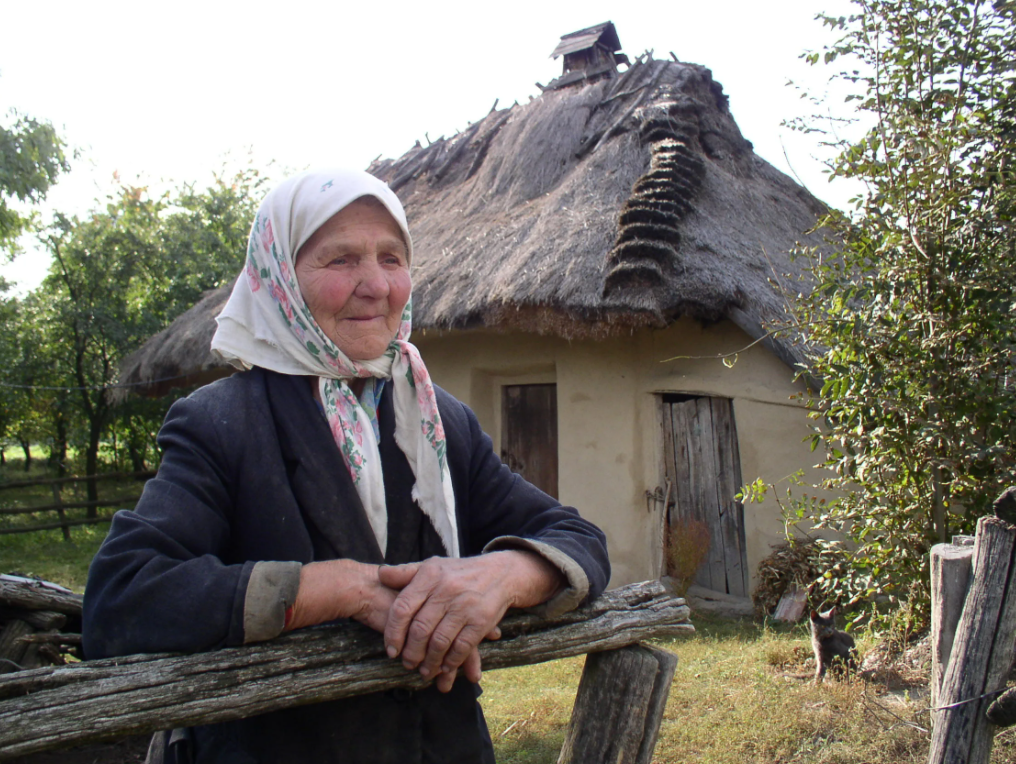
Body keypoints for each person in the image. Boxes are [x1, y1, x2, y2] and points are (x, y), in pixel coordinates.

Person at [82, 169, 610, 764]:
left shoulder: (437, 421)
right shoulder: (222, 423)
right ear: (280, 277)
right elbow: (123, 597)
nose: (376, 286)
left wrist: (500, 576)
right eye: (340, 261)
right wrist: (342, 588)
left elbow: (578, 538)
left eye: (392, 257)